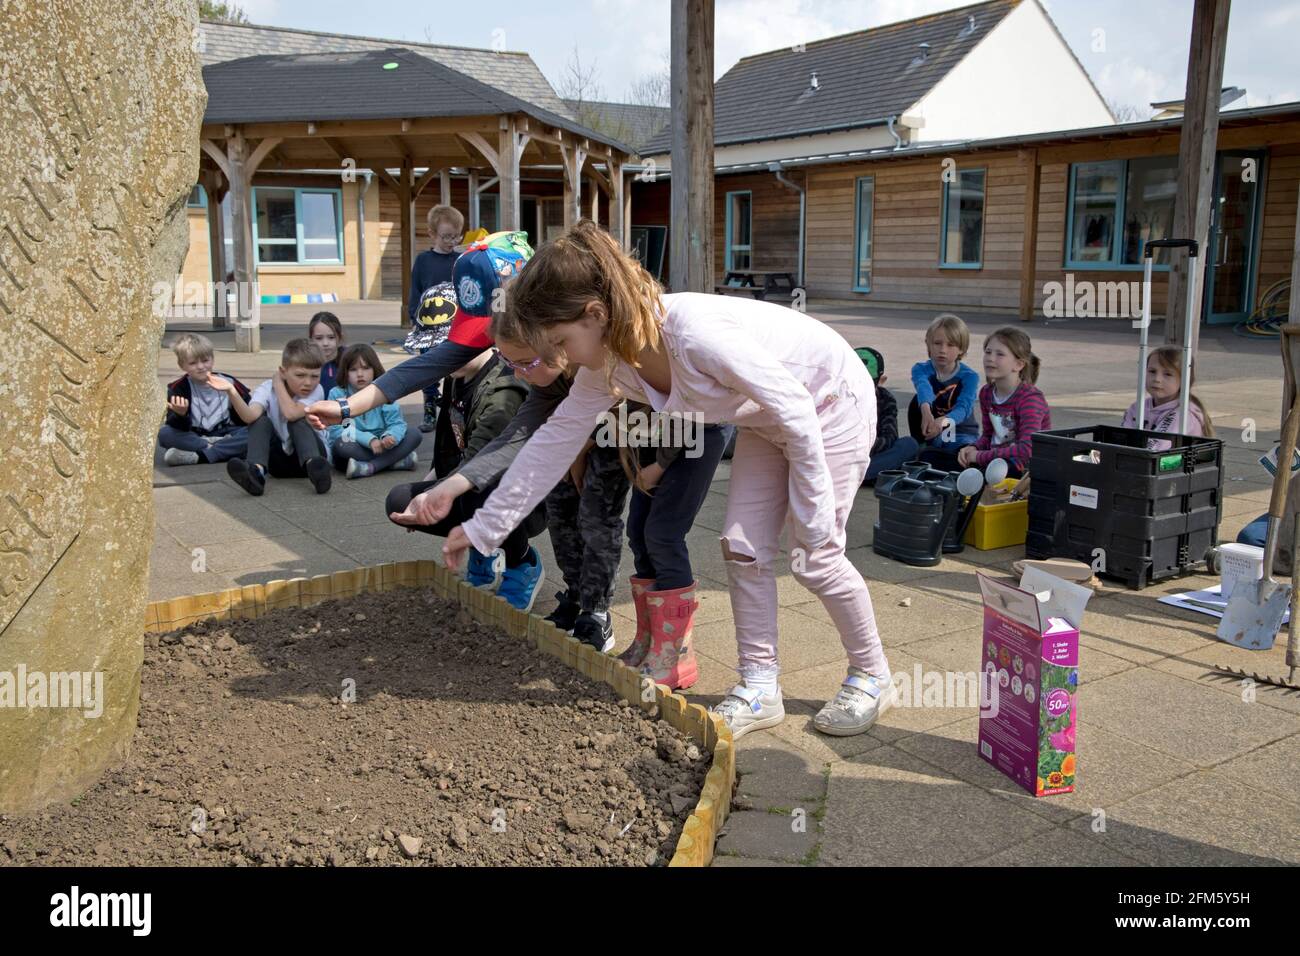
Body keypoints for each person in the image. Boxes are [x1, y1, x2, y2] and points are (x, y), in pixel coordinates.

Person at [439, 221, 893, 740]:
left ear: (595, 315)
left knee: (815, 557)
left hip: (829, 403)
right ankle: (760, 685)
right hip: (767, 419)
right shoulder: (610, 361)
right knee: (742, 547)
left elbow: (794, 407)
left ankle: (872, 675)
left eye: (561, 341)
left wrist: (812, 518)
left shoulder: (693, 334)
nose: (558, 358)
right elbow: (553, 442)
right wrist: (484, 528)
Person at [386, 347, 546, 612]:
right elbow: (449, 445)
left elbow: (479, 463)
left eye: (451, 349)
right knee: (399, 500)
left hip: (522, 500)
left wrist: (434, 496)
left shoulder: (504, 390)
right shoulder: (456, 374)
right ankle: (481, 550)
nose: (445, 359)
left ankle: (522, 562)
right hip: (470, 480)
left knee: (477, 487)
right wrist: (426, 489)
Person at [225, 339, 332, 496]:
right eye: (300, 375)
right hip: (278, 464)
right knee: (260, 421)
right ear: (283, 372)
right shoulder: (267, 388)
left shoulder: (317, 390)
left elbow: (291, 414)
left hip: (313, 457)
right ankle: (256, 472)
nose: (308, 382)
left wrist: (279, 384)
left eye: (315, 376)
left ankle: (317, 473)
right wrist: (231, 391)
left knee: (297, 421)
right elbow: (249, 416)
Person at [957, 327, 1051, 479]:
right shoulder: (986, 393)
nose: (990, 358)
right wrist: (973, 447)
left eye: (1000, 354)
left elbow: (1027, 450)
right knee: (935, 457)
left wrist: (980, 456)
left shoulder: (1030, 399)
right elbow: (988, 436)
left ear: (1019, 365)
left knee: (988, 474)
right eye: (988, 352)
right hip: (993, 460)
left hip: (1022, 469)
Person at [325, 344, 422, 478]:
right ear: (345, 372)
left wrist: (391, 436)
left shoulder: (385, 390)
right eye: (353, 370)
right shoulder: (337, 394)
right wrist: (369, 440)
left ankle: (370, 467)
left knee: (415, 434)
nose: (360, 374)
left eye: (365, 368)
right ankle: (393, 461)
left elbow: (397, 423)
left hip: (382, 445)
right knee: (342, 445)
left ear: (374, 369)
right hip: (356, 446)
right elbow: (337, 429)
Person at [409, 205, 465, 432]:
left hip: (454, 324)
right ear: (432, 234)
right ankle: (430, 405)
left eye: (456, 236)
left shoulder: (461, 260)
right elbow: (416, 290)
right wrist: (414, 317)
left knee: (456, 365)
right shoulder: (423, 261)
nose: (451, 241)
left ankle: (454, 405)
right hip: (430, 325)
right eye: (446, 236)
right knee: (430, 367)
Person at [158, 332, 250, 466]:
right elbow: (176, 426)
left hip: (227, 432)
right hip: (195, 435)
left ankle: (199, 456)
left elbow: (249, 413)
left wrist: (232, 393)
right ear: (182, 366)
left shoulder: (229, 382)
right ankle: (224, 449)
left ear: (212, 359)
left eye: (205, 360)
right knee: (165, 434)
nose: (201, 367)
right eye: (193, 363)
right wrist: (181, 415)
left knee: (257, 431)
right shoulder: (178, 388)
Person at [909, 313, 981, 472]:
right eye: (937, 343)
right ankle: (925, 450)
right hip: (932, 431)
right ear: (928, 344)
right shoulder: (920, 369)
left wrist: (944, 421)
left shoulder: (970, 377)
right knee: (916, 402)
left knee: (963, 454)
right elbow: (923, 388)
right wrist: (926, 411)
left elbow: (964, 408)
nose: (943, 350)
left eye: (950, 345)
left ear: (961, 348)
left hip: (961, 432)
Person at [1121, 345, 1213, 450]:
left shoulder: (1182, 414)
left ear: (1184, 379)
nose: (1157, 379)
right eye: (1152, 371)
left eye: (1168, 374)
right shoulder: (1137, 407)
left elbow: (1155, 449)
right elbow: (1121, 439)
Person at [856, 346, 911, 484]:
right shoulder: (840, 398)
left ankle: (860, 475)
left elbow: (890, 437)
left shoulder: (886, 399)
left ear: (881, 381)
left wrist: (866, 445)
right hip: (847, 457)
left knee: (909, 445)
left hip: (870, 456)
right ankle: (862, 476)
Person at [308, 312, 345, 396]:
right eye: (319, 338)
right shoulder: (304, 362)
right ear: (311, 339)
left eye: (331, 337)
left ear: (340, 337)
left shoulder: (351, 359)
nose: (325, 343)